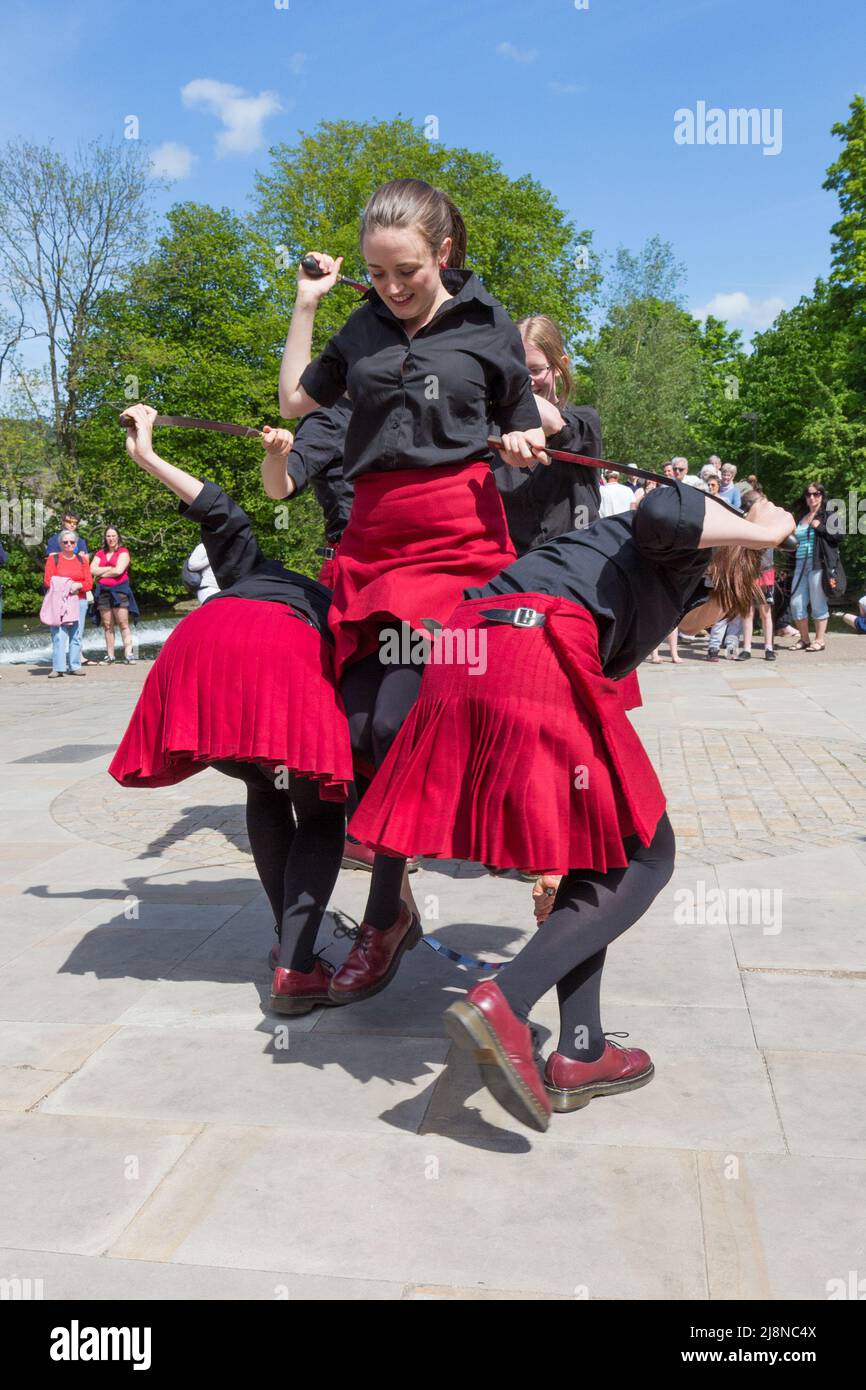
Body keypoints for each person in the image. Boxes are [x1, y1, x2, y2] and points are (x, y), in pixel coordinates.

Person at [349, 483, 794, 1130]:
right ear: (733, 569)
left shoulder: (634, 572)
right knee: (648, 853)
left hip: (466, 652)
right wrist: (765, 529)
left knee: (601, 848)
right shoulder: (681, 547)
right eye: (732, 602)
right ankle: (506, 998)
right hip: (534, 647)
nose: (715, 619)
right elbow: (666, 508)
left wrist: (553, 861)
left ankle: (581, 1050)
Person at [275, 176, 545, 1004]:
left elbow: (527, 413)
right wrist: (309, 304)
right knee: (358, 732)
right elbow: (295, 400)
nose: (393, 289)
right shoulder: (359, 326)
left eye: (409, 273)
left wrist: (527, 434)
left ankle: (385, 909)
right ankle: (394, 911)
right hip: (374, 542)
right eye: (378, 273)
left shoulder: (488, 325)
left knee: (398, 718)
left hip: (458, 537)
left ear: (444, 256)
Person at [112, 403, 357, 1015]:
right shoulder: (336, 600)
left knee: (264, 789)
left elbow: (219, 510)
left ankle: (288, 949)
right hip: (279, 654)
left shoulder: (250, 568)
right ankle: (297, 969)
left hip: (200, 650)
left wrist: (147, 454)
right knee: (322, 809)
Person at [491, 313, 601, 551]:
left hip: (577, 565)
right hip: (515, 574)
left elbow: (552, 421)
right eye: (516, 371)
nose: (526, 381)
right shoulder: (491, 432)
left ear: (560, 366)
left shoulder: (584, 422)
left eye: (535, 370)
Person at [788, 482, 841, 652]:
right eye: (809, 494)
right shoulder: (801, 517)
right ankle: (804, 639)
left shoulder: (829, 514)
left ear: (822, 496)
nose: (812, 497)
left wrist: (821, 527)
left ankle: (819, 640)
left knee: (818, 602)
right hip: (799, 564)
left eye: (816, 494)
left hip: (818, 563)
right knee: (796, 603)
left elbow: (839, 536)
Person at [45, 509, 96, 666]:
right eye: (69, 522)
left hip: (78, 593)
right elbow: (52, 562)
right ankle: (59, 664)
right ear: (63, 522)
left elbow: (85, 561)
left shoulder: (80, 541)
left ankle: (77, 659)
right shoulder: (54, 540)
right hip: (59, 593)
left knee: (77, 630)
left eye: (75, 523)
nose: (72, 525)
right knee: (59, 631)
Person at [90, 527, 139, 664]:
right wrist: (108, 569)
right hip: (103, 592)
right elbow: (91, 569)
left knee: (123, 623)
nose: (111, 538)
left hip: (120, 591)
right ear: (105, 538)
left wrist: (100, 573)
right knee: (107, 625)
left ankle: (129, 654)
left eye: (113, 535)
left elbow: (119, 570)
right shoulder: (100, 553)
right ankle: (110, 655)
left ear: (118, 537)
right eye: (108, 536)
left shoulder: (123, 552)